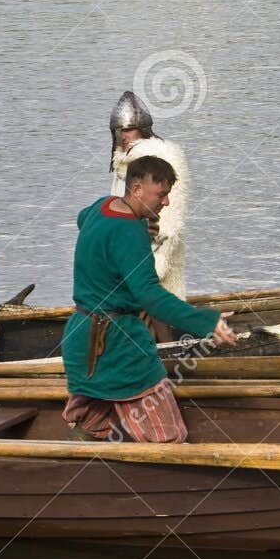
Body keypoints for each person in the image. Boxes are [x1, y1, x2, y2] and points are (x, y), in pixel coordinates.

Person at [62, 154, 236, 443]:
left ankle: (81, 462)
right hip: (119, 348)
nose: (165, 202)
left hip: (79, 341)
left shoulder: (101, 207)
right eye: (161, 194)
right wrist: (208, 321)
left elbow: (83, 219)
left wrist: (137, 228)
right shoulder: (129, 232)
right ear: (137, 188)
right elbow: (150, 296)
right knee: (169, 436)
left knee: (92, 422)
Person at [108, 90, 189, 298]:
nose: (124, 136)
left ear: (143, 130)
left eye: (130, 129)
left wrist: (149, 273)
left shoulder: (163, 160)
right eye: (119, 130)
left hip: (150, 278)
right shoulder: (123, 165)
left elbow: (168, 226)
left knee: (164, 301)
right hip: (126, 274)